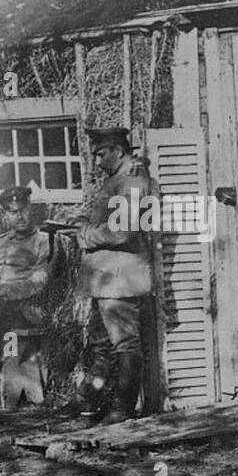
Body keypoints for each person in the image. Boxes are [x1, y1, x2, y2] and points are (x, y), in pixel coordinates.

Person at [64, 127, 156, 426]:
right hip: (106, 280)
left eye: (102, 153)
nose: (98, 160)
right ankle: (91, 401)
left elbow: (124, 230)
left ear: (118, 149)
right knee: (103, 345)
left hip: (121, 280)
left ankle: (123, 408)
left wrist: (87, 236)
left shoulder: (131, 179)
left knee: (126, 345)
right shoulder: (117, 179)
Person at [0, 185, 53, 412]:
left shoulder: (42, 240)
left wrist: (6, 291)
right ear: (5, 214)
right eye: (13, 212)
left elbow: (39, 280)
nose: (19, 216)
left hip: (28, 306)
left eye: (23, 210)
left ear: (30, 208)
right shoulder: (0, 242)